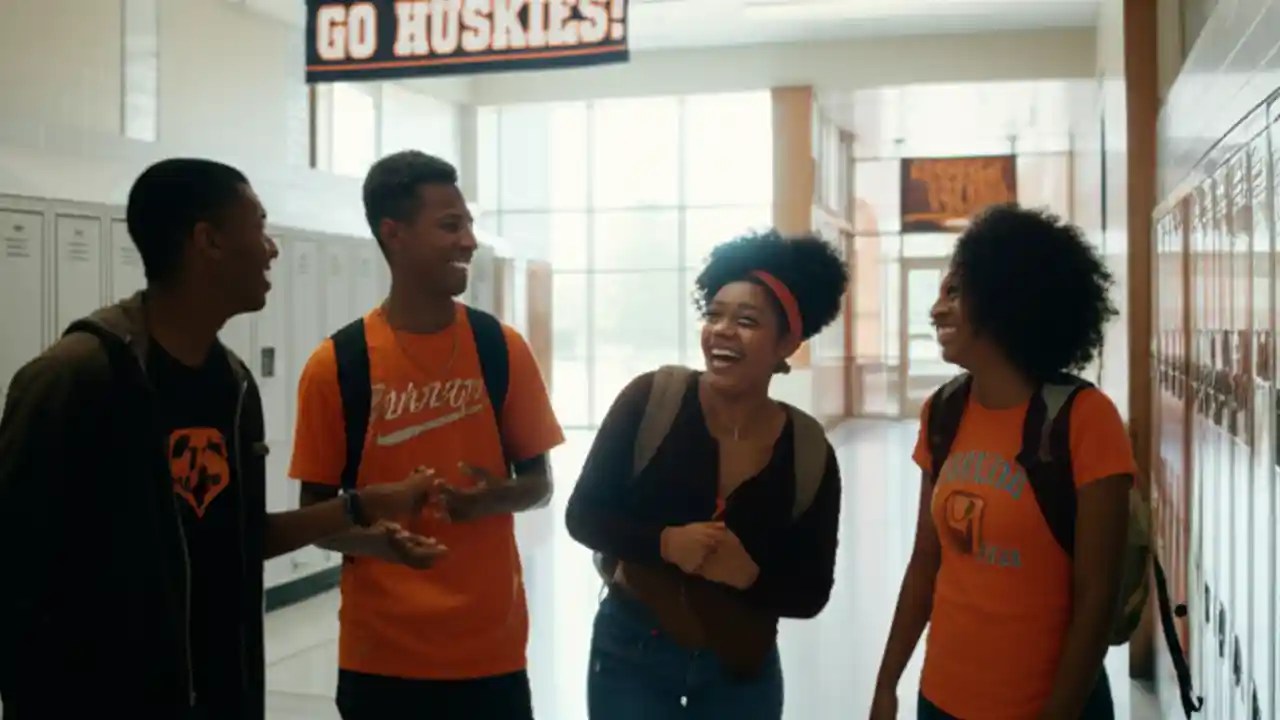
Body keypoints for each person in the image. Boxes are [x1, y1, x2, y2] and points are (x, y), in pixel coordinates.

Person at [0, 158, 438, 719]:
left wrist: (360, 509)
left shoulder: (231, 386)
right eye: (258, 225)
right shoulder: (77, 378)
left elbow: (239, 538)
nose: (271, 248)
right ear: (207, 240)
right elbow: (15, 573)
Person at [289, 150, 564, 720]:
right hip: (381, 659)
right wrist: (377, 542)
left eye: (467, 224)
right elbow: (316, 517)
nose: (468, 241)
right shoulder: (338, 365)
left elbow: (540, 484)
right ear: (394, 234)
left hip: (490, 653)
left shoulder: (501, 349)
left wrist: (495, 497)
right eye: (450, 225)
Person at [565, 229, 848, 719]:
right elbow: (583, 517)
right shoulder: (651, 400)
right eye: (714, 314)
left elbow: (811, 591)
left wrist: (750, 575)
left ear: (787, 343)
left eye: (746, 320)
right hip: (630, 653)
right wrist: (665, 543)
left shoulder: (807, 451)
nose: (721, 330)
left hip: (741, 670)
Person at [870, 204, 1134, 720]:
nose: (936, 310)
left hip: (1045, 704)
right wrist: (887, 683)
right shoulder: (943, 412)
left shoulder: (1084, 419)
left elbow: (1096, 598)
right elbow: (927, 563)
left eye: (953, 292)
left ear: (1004, 297)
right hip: (943, 698)